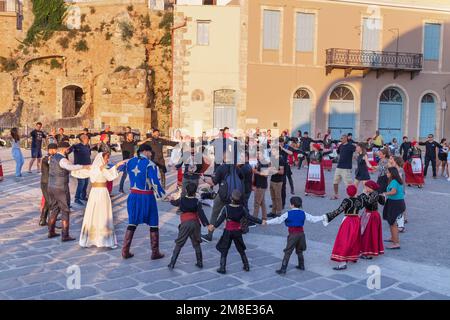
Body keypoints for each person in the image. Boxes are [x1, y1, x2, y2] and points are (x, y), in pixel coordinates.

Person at [120, 144, 166, 260]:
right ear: (145, 151)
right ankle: (155, 252)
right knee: (154, 222)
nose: (151, 155)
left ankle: (125, 251)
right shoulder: (150, 164)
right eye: (150, 152)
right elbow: (154, 181)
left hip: (133, 196)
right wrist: (162, 195)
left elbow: (117, 169)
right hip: (147, 197)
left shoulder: (129, 162)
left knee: (132, 222)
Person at [72, 152, 125, 249]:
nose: (107, 160)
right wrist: (117, 165)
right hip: (102, 193)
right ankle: (105, 240)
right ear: (101, 159)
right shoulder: (102, 169)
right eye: (106, 158)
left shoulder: (93, 168)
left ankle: (92, 239)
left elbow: (76, 173)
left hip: (94, 193)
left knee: (93, 213)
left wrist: (83, 167)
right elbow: (111, 176)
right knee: (103, 214)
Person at [209, 190, 264, 274]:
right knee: (241, 249)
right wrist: (261, 221)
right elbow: (250, 217)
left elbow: (220, 219)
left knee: (224, 249)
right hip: (237, 231)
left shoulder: (226, 208)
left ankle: (222, 267)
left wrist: (214, 227)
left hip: (228, 231)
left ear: (231, 199)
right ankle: (246, 265)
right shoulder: (242, 208)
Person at [265, 196, 323, 274]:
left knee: (288, 251)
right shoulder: (303, 213)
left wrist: (267, 222)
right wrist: (323, 217)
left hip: (292, 235)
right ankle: (301, 265)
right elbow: (313, 219)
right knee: (300, 250)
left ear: (292, 205)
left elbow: (278, 220)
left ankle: (283, 269)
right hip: (301, 234)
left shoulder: (288, 213)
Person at [47, 142, 90, 242]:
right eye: (68, 149)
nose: (68, 151)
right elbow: (70, 167)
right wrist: (83, 166)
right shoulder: (62, 159)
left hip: (51, 186)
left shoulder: (52, 157)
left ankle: (51, 231)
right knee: (65, 210)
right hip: (61, 187)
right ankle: (65, 235)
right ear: (65, 149)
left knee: (54, 208)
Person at [167, 183, 212, 269]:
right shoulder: (197, 201)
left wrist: (170, 199)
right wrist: (207, 224)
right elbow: (201, 214)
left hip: (185, 223)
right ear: (195, 192)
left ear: (186, 191)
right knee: (196, 243)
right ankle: (200, 262)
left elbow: (175, 202)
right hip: (195, 223)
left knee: (179, 243)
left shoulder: (182, 200)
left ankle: (172, 263)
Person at [201, 154, 244, 242]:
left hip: (222, 196)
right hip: (233, 197)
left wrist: (204, 179)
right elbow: (241, 178)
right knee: (230, 216)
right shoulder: (237, 168)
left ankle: (209, 235)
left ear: (224, 158)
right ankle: (233, 235)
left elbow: (213, 183)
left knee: (214, 214)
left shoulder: (221, 168)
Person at [323, 185, 363, 270]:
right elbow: (361, 206)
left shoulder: (347, 200)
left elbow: (339, 210)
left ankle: (343, 262)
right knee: (354, 239)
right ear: (355, 191)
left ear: (347, 192)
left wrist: (328, 216)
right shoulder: (359, 200)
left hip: (348, 221)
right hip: (356, 220)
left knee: (344, 240)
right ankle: (352, 256)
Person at [358, 180, 385, 259]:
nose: (365, 188)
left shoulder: (374, 194)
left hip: (371, 216)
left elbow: (367, 202)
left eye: (366, 186)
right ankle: (365, 250)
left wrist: (363, 195)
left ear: (371, 188)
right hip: (367, 214)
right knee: (366, 233)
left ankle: (367, 251)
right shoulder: (372, 193)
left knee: (368, 234)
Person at [382, 167, 406, 250]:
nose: (386, 174)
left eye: (388, 172)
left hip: (395, 203)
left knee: (393, 223)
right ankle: (393, 238)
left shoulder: (394, 181)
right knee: (391, 221)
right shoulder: (396, 180)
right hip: (395, 202)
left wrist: (384, 193)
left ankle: (396, 243)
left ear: (392, 173)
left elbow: (393, 192)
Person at [67, 134, 92, 205]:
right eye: (87, 138)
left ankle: (83, 196)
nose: (88, 139)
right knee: (81, 183)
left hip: (87, 167)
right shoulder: (76, 146)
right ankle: (76, 198)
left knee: (86, 183)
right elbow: (68, 151)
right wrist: (69, 148)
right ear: (83, 139)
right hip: (79, 168)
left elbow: (88, 155)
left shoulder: (87, 146)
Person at [331, 134, 356, 200]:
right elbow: (338, 152)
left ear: (345, 139)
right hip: (339, 166)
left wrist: (356, 157)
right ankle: (336, 195)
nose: (340, 139)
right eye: (340, 138)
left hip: (346, 168)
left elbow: (357, 151)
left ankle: (352, 196)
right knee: (335, 182)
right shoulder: (341, 146)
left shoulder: (351, 146)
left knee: (348, 184)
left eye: (342, 138)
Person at [39, 143, 58, 226]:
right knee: (51, 203)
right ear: (51, 150)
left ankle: (42, 220)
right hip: (46, 183)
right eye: (55, 149)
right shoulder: (46, 158)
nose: (56, 151)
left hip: (49, 182)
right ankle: (51, 224)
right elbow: (48, 161)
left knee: (47, 201)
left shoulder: (53, 157)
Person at [268, 145, 285, 218]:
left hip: (278, 181)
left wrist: (273, 169)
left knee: (278, 197)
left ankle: (278, 213)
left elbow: (282, 172)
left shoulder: (281, 159)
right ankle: (273, 211)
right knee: (273, 197)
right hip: (272, 180)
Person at [252, 155, 269, 223]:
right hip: (259, 185)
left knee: (257, 203)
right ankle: (264, 217)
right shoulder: (258, 162)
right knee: (262, 202)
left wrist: (257, 172)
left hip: (261, 185)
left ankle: (254, 219)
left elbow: (266, 175)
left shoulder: (264, 163)